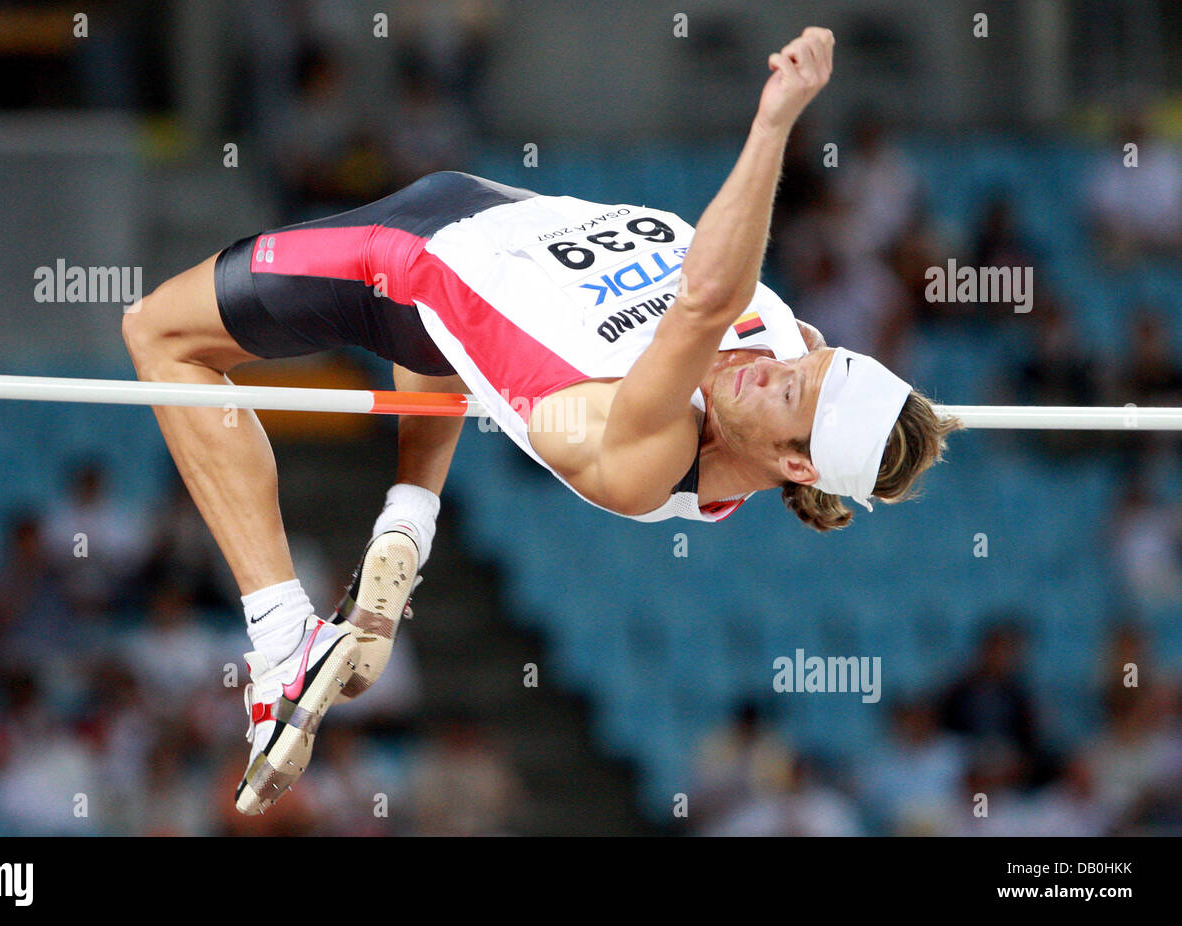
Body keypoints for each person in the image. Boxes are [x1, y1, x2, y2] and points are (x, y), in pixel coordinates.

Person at [121, 27, 962, 815]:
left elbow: (705, 297)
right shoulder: (794, 352)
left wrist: (775, 120)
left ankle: (280, 638)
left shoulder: (646, 459)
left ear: (800, 468)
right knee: (473, 344)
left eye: (787, 394)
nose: (771, 369)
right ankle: (408, 520)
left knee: (159, 333)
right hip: (488, 208)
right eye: (801, 363)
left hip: (410, 260)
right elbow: (809, 363)